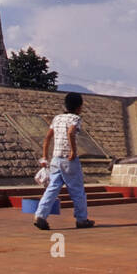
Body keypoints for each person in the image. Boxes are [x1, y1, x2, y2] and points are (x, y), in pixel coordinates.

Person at [34, 92, 94, 230]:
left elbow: (47, 138)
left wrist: (44, 157)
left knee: (52, 188)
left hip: (55, 159)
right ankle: (81, 219)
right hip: (69, 160)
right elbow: (71, 132)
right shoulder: (75, 118)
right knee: (77, 190)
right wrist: (73, 151)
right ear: (79, 107)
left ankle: (40, 215)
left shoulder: (57, 118)